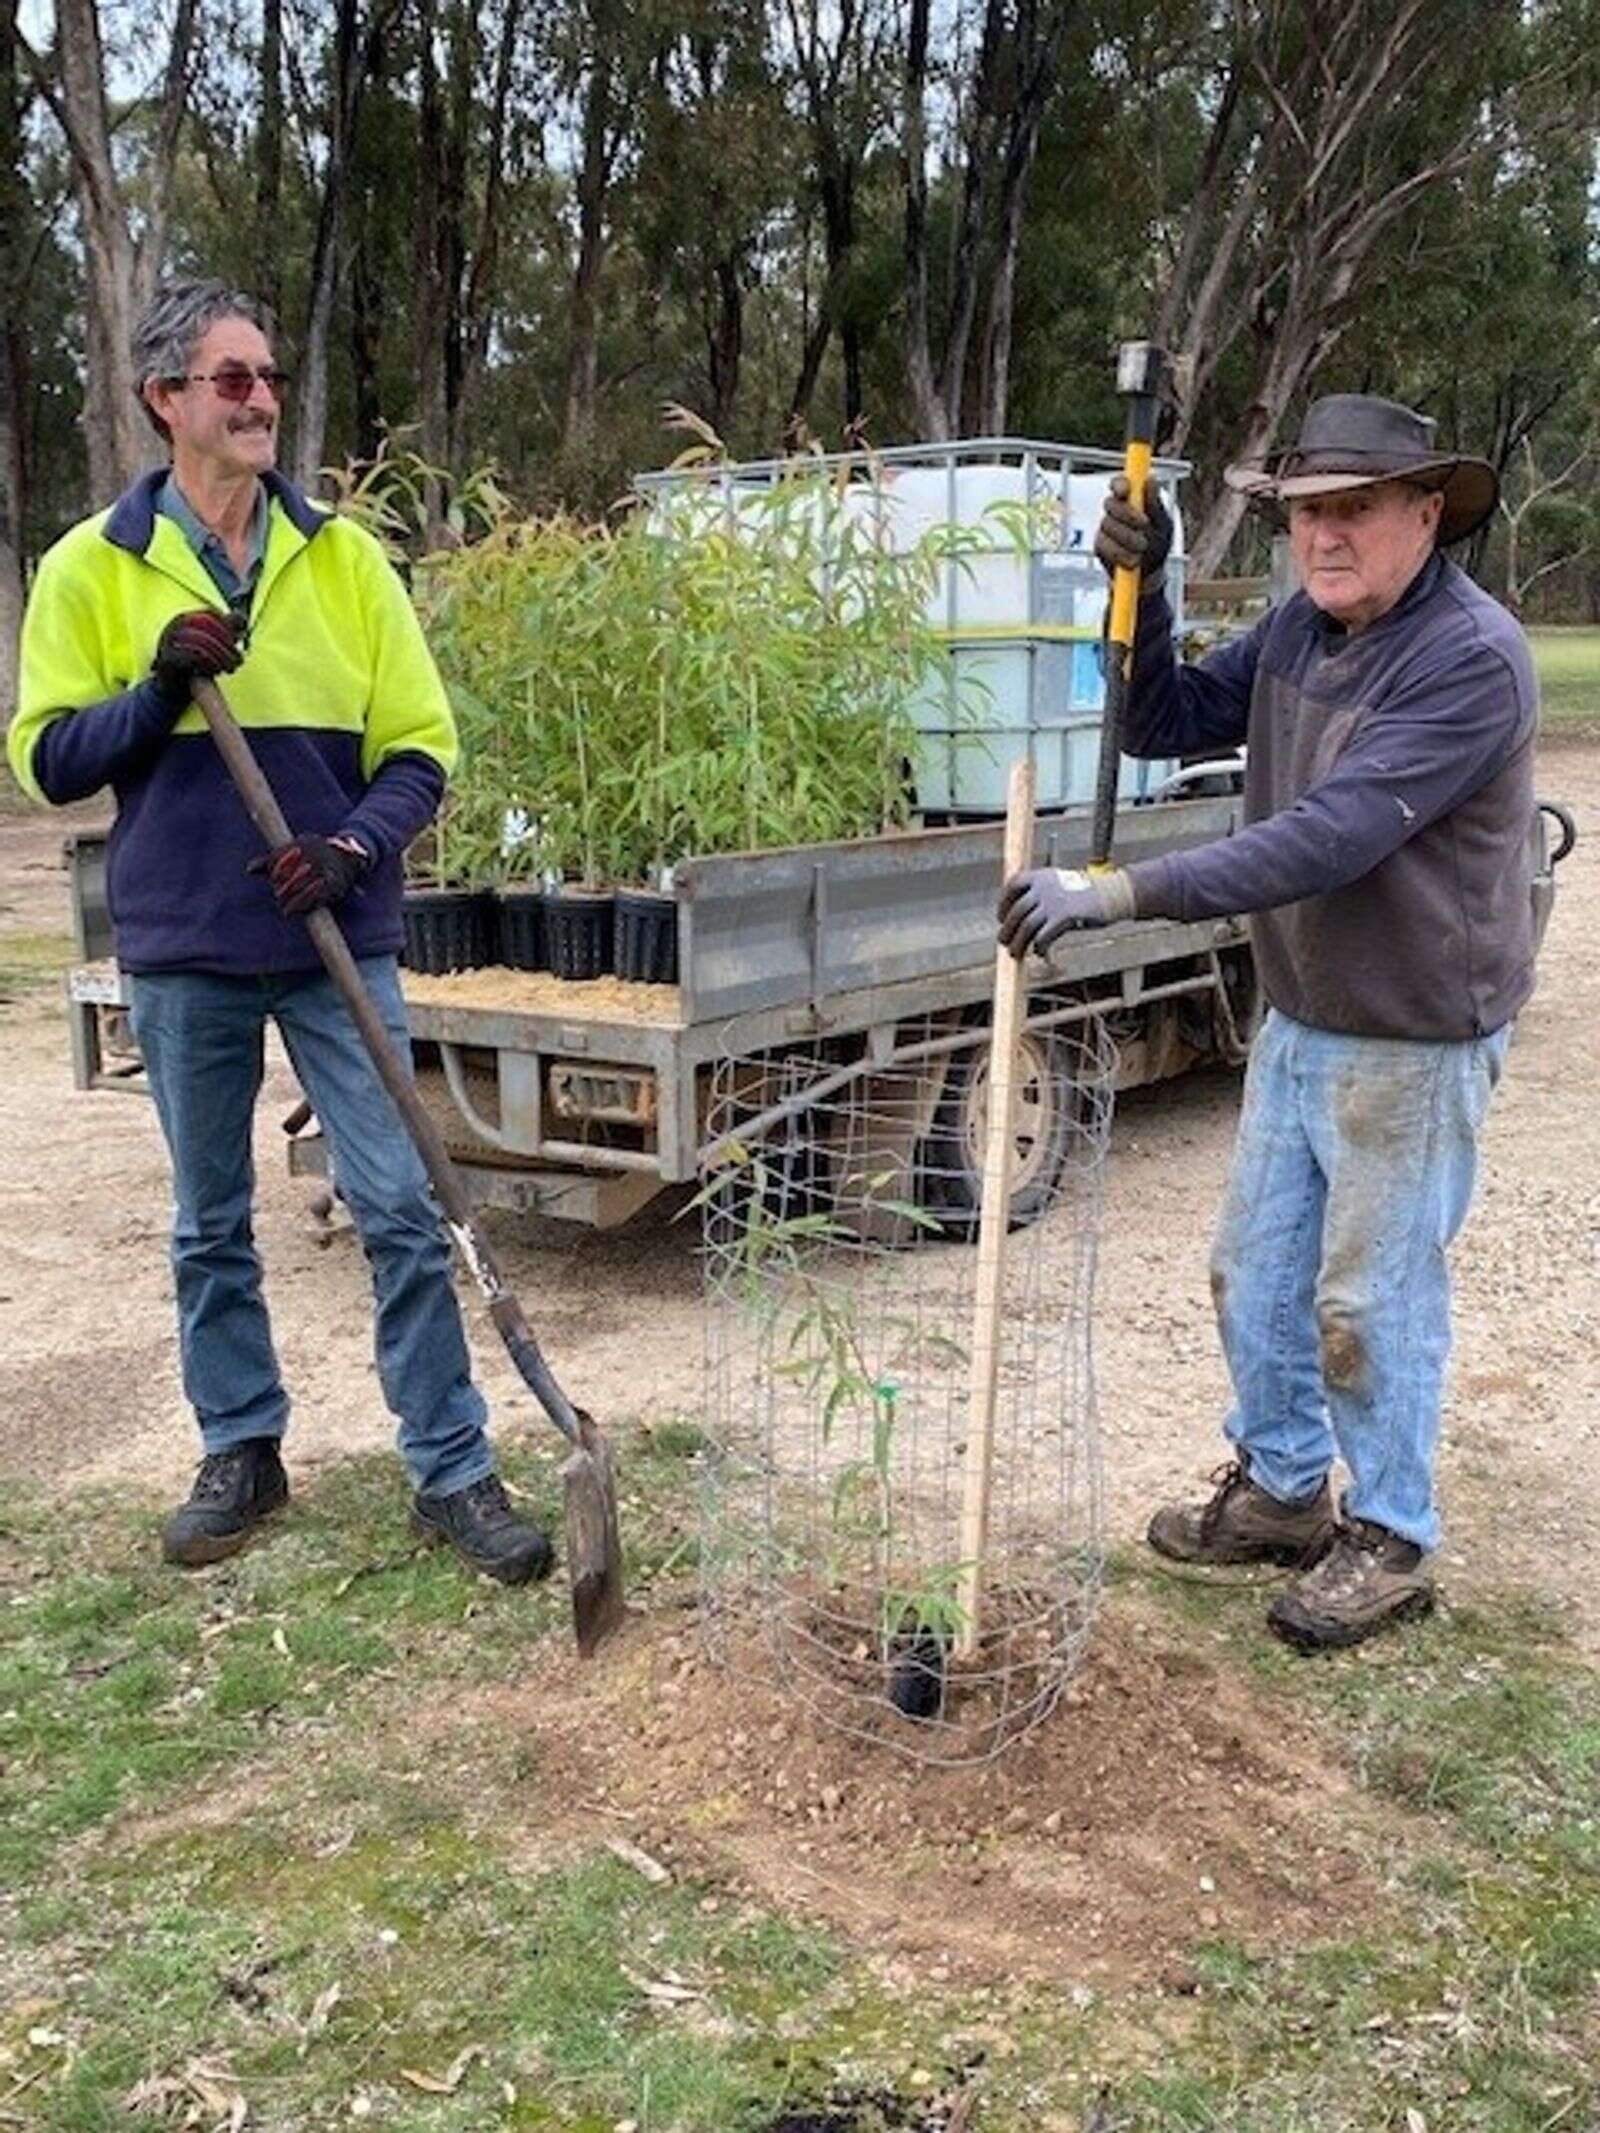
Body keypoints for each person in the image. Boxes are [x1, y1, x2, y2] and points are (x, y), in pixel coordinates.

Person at [8, 276, 553, 1585]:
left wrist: (352, 848)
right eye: (232, 379)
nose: (260, 400)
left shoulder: (344, 559)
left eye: (267, 378)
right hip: (184, 944)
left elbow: (421, 749)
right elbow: (48, 760)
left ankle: (451, 1465)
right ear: (166, 399)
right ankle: (241, 1449)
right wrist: (157, 689)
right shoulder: (93, 565)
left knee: (400, 1204)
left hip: (334, 939)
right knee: (210, 1223)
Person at [999, 394, 1536, 1651]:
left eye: (1354, 508)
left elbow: (1327, 838)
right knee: (1254, 1273)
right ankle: (1285, 1491)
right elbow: (1162, 720)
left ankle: (1390, 1534)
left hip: (1411, 1030)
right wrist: (1143, 592)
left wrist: (1118, 892)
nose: (1323, 536)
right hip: (1301, 1010)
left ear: (1425, 514)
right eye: (1304, 513)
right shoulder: (1303, 628)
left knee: (1368, 1298)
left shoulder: (1468, 658)